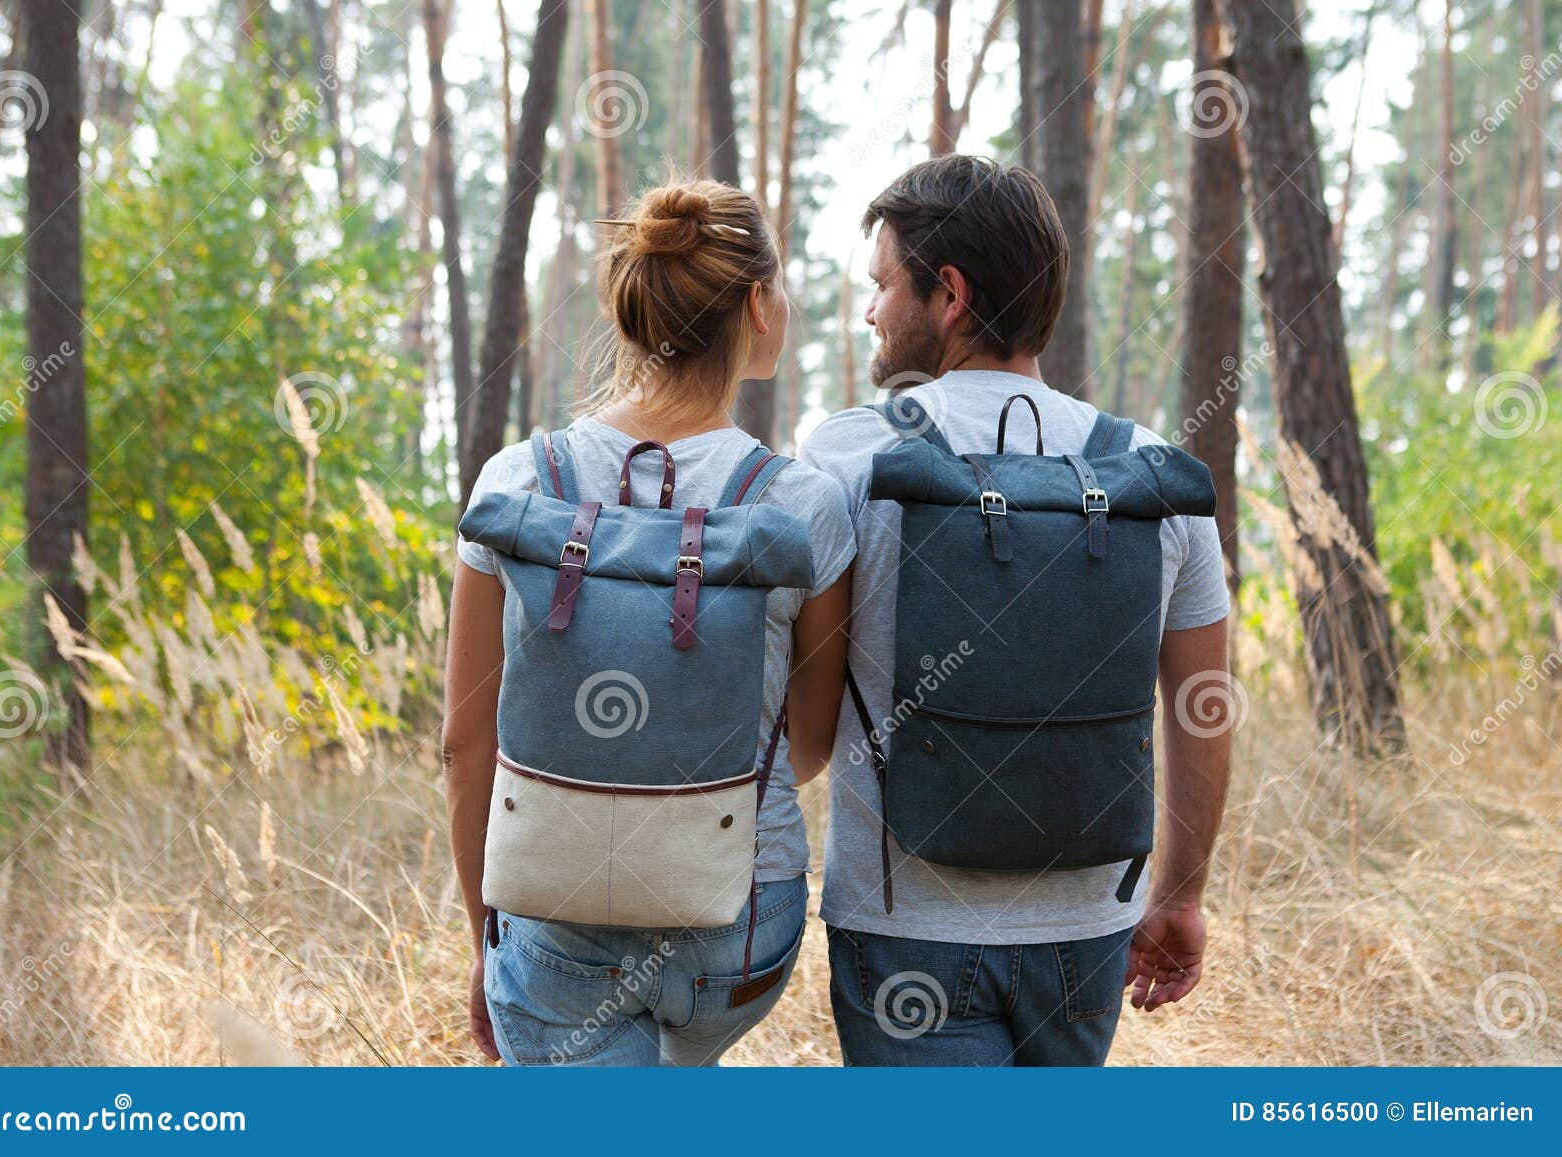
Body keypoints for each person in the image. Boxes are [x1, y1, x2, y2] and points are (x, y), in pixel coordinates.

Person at [797, 154, 1234, 1066]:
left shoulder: (846, 458)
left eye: (883, 285)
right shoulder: (1150, 472)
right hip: (1087, 925)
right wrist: (1181, 893)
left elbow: (801, 703)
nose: (870, 312)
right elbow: (1205, 707)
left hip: (903, 921)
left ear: (948, 294)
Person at [442, 177, 855, 1066]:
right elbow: (809, 743)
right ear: (757, 306)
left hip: (553, 911)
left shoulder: (516, 482)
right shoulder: (803, 504)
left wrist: (490, 937)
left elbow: (462, 742)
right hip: (740, 926)